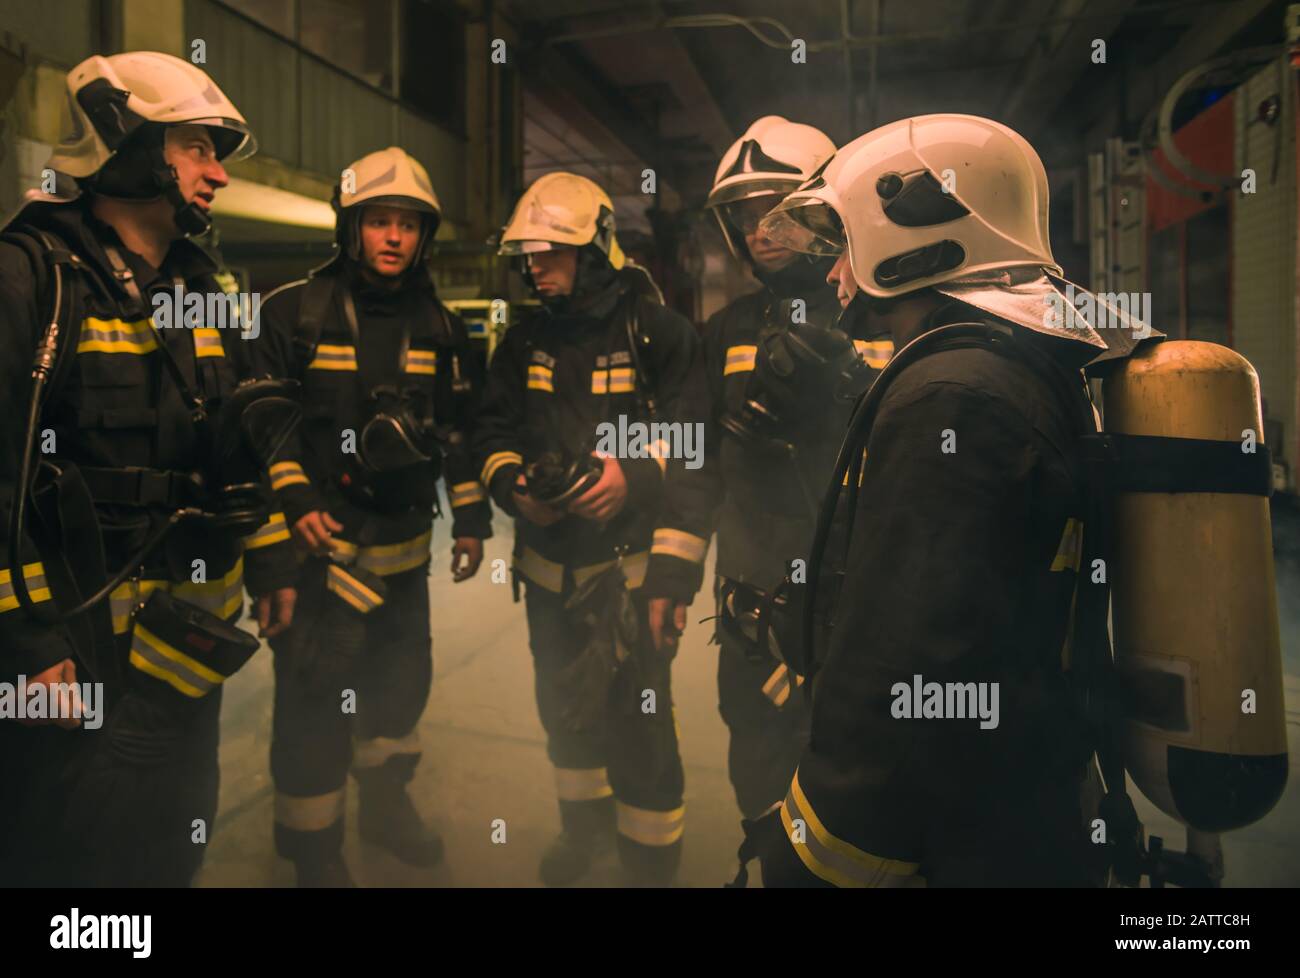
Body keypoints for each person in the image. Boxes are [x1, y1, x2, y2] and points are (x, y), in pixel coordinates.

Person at [748, 113, 1147, 886]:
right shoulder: (1012, 367)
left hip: (967, 839)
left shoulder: (951, 396)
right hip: (1025, 796)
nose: (834, 276)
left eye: (847, 245)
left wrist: (806, 860)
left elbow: (906, 671)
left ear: (912, 232)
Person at [0, 52, 297, 886]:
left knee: (167, 847)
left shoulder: (207, 289)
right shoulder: (29, 277)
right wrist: (25, 643)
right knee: (58, 857)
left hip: (183, 665)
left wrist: (271, 555)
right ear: (129, 146)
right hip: (67, 667)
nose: (219, 176)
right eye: (199, 149)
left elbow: (244, 442)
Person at [249, 146, 490, 887]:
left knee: (398, 700)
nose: (394, 238)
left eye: (409, 225)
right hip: (322, 568)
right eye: (378, 221)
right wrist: (293, 504)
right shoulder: (292, 313)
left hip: (404, 564)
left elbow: (459, 433)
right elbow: (258, 425)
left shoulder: (443, 327)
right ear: (349, 228)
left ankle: (388, 810)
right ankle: (315, 856)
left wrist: (474, 520)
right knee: (313, 711)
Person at [642, 116, 892, 820]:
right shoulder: (723, 334)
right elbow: (697, 467)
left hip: (862, 610)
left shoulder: (887, 320)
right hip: (750, 610)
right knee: (757, 770)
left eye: (779, 211)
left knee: (857, 788)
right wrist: (669, 576)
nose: (761, 231)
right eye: (748, 217)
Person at [473, 172, 698, 885]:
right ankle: (584, 834)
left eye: (551, 252)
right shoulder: (523, 340)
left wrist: (632, 477)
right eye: (527, 254)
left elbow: (695, 444)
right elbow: (490, 427)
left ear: (596, 250)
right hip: (548, 577)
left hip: (630, 580)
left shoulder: (657, 330)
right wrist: (513, 487)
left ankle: (650, 868)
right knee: (565, 716)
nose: (534, 266)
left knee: (642, 733)